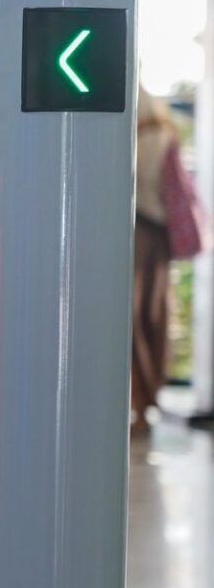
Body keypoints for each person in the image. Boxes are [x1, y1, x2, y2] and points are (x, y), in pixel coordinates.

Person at [132, 88, 177, 435]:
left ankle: (140, 398)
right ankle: (150, 398)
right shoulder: (161, 114)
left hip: (136, 227)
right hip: (162, 231)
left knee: (130, 317)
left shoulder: (131, 111)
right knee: (155, 315)